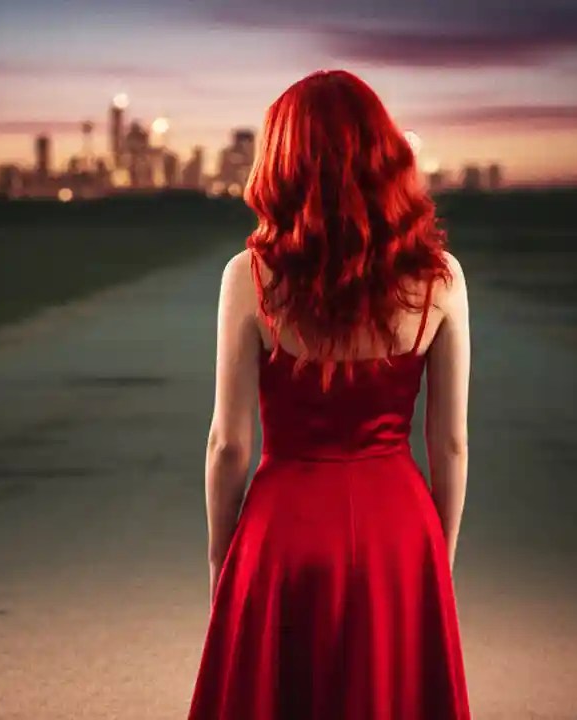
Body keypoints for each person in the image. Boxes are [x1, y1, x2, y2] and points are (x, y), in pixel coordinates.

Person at [187, 69, 472, 719]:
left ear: (279, 163)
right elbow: (450, 443)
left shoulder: (250, 277)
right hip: (398, 530)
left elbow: (228, 444)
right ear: (385, 156)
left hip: (284, 534)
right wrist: (436, 556)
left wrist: (219, 556)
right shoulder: (440, 278)